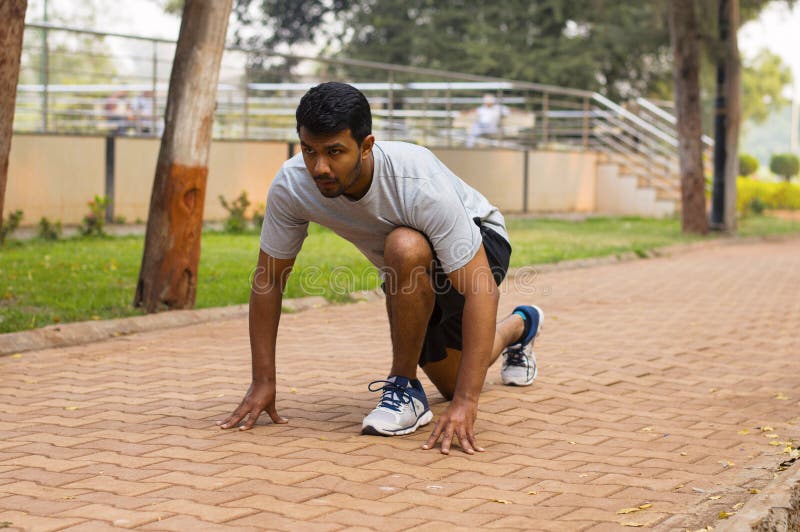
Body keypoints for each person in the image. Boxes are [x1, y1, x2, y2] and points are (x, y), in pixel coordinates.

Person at [218, 82, 543, 455]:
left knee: (403, 245)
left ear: (367, 145)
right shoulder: (293, 185)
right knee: (455, 382)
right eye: (309, 150)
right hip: (412, 272)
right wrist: (263, 380)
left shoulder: (416, 180)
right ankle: (521, 326)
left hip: (481, 242)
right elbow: (268, 281)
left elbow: (482, 290)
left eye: (334, 152)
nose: (319, 167)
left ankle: (403, 387)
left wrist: (468, 405)